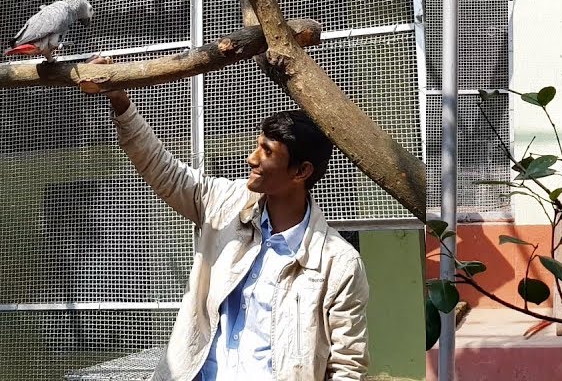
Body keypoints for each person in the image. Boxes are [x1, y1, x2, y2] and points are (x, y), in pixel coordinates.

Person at [87, 56, 369, 381]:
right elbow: (163, 169)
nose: (252, 158)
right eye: (256, 146)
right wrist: (121, 102)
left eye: (267, 151)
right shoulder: (225, 203)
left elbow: (348, 367)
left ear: (301, 171)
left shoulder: (338, 264)